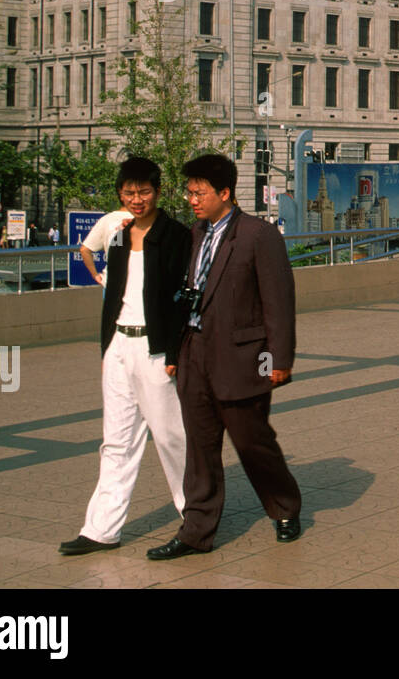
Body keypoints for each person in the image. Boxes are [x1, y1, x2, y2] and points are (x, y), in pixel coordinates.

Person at [147, 154, 302, 559]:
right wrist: (174, 350)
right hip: (194, 349)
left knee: (252, 442)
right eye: (189, 191)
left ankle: (285, 508)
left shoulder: (258, 235)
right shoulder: (196, 233)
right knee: (199, 446)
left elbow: (278, 302)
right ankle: (196, 532)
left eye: (199, 192)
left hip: (242, 357)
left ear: (225, 193)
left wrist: (280, 359)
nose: (191, 199)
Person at [59, 157, 193, 556]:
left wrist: (174, 349)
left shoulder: (176, 236)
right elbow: (113, 293)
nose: (137, 199)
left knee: (172, 438)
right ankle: (101, 530)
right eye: (129, 192)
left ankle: (196, 519)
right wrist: (107, 347)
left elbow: (185, 299)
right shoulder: (117, 235)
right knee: (116, 442)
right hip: (119, 345)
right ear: (120, 193)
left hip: (156, 350)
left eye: (145, 191)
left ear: (158, 191)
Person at [79, 205, 137, 287]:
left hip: (112, 283)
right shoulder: (149, 220)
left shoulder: (106, 220)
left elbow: (84, 250)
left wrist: (95, 275)